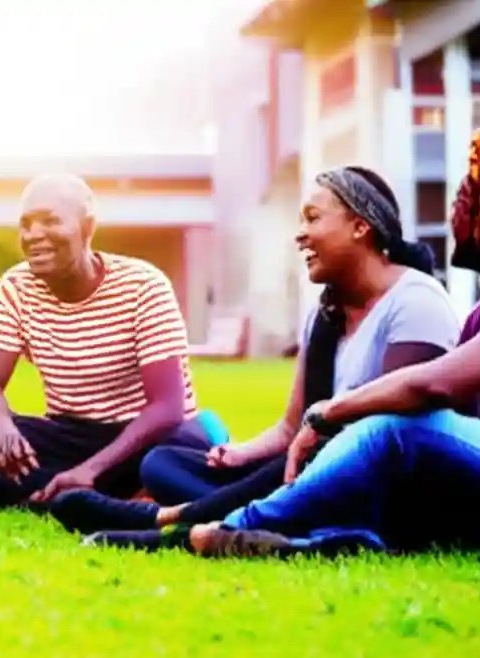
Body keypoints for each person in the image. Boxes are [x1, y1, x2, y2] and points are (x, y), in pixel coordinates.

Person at [58, 166, 459, 540]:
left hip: (382, 478)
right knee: (163, 463)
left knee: (307, 466)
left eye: (313, 218)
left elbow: (392, 430)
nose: (300, 234)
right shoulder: (324, 317)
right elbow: (290, 430)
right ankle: (237, 511)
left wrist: (310, 438)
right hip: (310, 465)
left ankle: (168, 520)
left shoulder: (415, 300)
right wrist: (239, 453)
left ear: (360, 226)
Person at [177, 122, 480, 557]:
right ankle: (327, 543)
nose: (454, 216)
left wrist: (326, 414)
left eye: (462, 202)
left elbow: (431, 386)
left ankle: (228, 527)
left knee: (392, 430)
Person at [0, 173, 211, 511]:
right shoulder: (16, 286)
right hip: (72, 432)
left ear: (87, 227)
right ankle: (104, 498)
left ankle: (46, 493)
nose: (34, 234)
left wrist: (90, 469)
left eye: (51, 221)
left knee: (173, 455)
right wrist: (5, 430)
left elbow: (167, 408)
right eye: (26, 224)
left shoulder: (144, 285)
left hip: (145, 433)